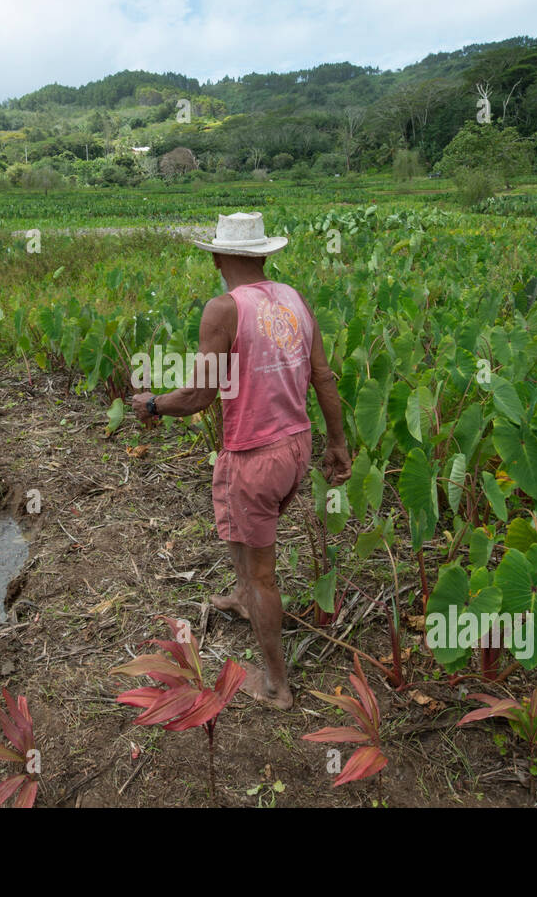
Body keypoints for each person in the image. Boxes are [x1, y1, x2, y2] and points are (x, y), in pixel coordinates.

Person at [132, 212, 350, 709]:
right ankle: (239, 597)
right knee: (245, 542)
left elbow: (199, 396)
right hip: (296, 446)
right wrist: (337, 445)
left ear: (215, 256)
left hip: (254, 456)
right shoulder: (293, 298)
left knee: (262, 574)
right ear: (264, 254)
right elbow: (324, 377)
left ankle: (276, 684)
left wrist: (151, 405)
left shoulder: (223, 309)